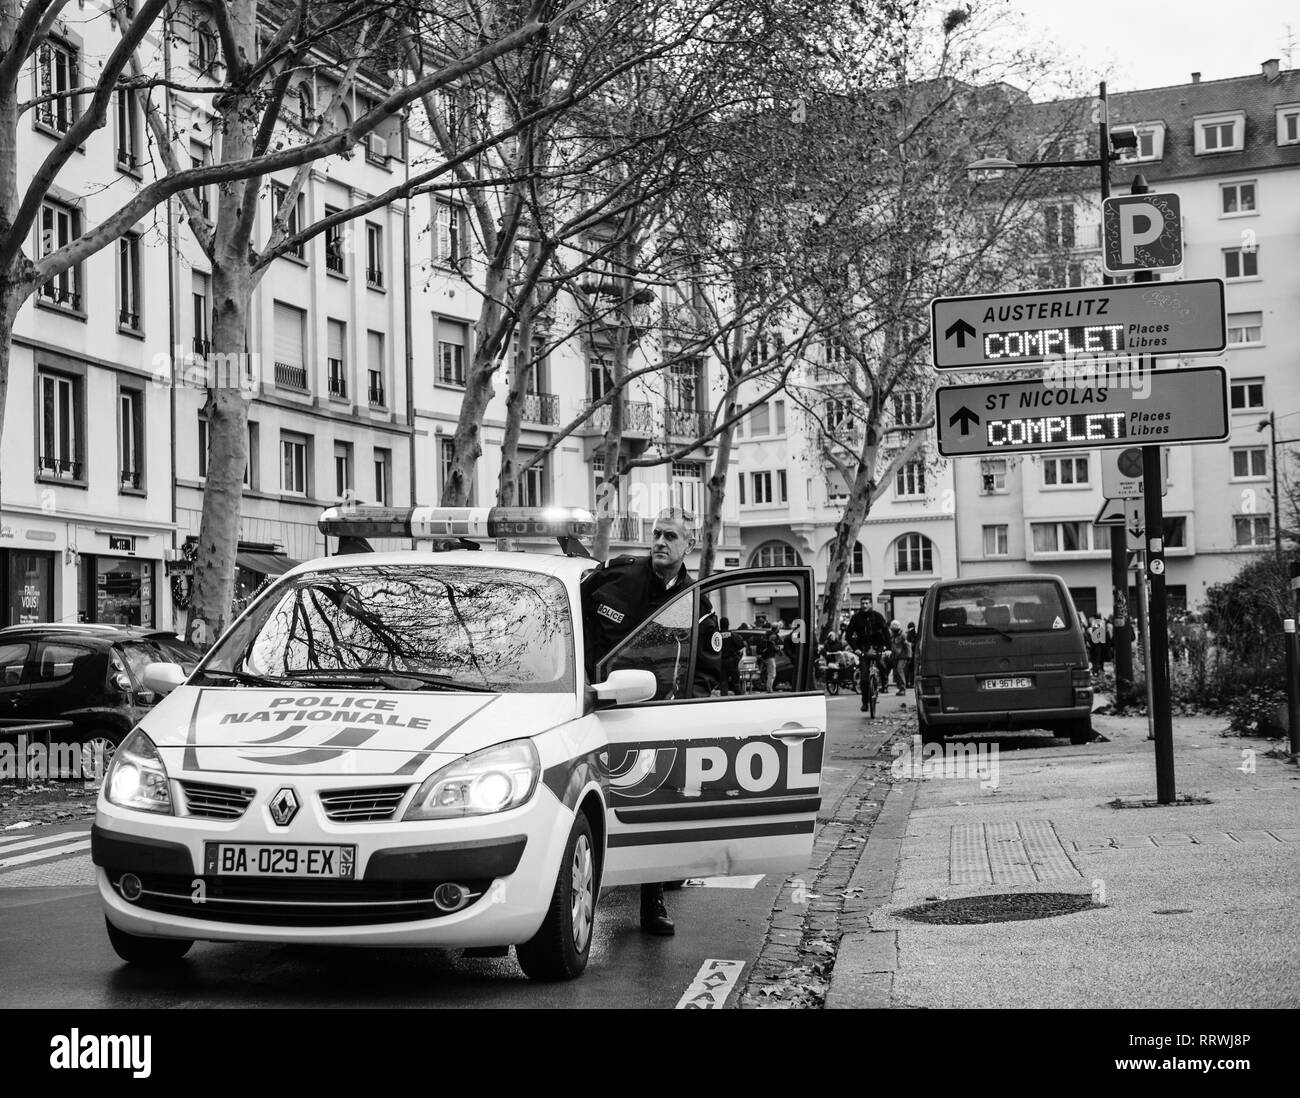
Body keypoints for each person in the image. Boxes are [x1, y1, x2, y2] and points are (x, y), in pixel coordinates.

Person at [579, 507, 715, 936]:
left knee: (654, 804)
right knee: (589, 800)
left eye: (671, 536)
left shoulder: (696, 602)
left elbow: (708, 670)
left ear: (688, 545)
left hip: (656, 718)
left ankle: (651, 898)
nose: (660, 541)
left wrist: (683, 714)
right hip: (597, 708)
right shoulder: (616, 578)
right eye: (657, 533)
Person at [846, 597, 890, 712]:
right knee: (864, 679)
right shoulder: (856, 618)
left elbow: (886, 632)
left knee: (881, 664)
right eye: (862, 603)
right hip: (863, 649)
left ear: (870, 604)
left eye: (866, 603)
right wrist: (856, 648)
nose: (864, 605)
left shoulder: (878, 616)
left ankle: (884, 683)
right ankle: (865, 702)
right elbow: (848, 636)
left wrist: (888, 648)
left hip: (877, 647)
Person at [719, 616, 747, 696]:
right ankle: (738, 699)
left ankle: (723, 699)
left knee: (723, 682)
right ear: (728, 625)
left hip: (721, 662)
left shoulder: (717, 636)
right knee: (736, 682)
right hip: (732, 662)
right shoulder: (733, 635)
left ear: (720, 625)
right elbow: (741, 645)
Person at [888, 620, 911, 695]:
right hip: (896, 656)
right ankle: (900, 688)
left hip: (903, 656)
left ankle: (903, 688)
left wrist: (909, 656)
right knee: (897, 672)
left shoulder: (903, 635)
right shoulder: (892, 635)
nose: (893, 631)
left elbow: (907, 646)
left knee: (899, 670)